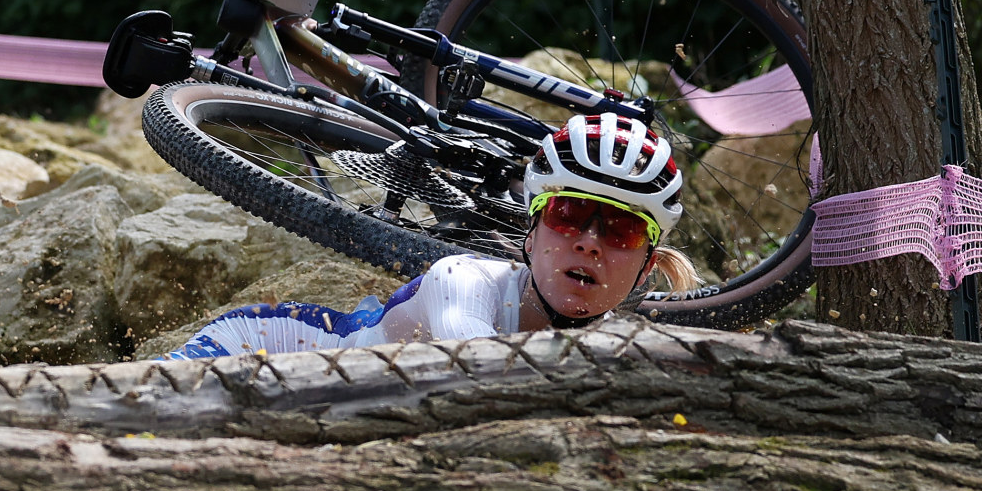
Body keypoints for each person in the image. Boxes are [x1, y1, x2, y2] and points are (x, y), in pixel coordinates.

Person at [163, 113, 700, 359]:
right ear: (531, 234)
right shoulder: (464, 279)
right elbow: (483, 370)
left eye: (623, 232)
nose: (587, 242)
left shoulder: (618, 344)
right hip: (257, 347)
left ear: (646, 267)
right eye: (566, 216)